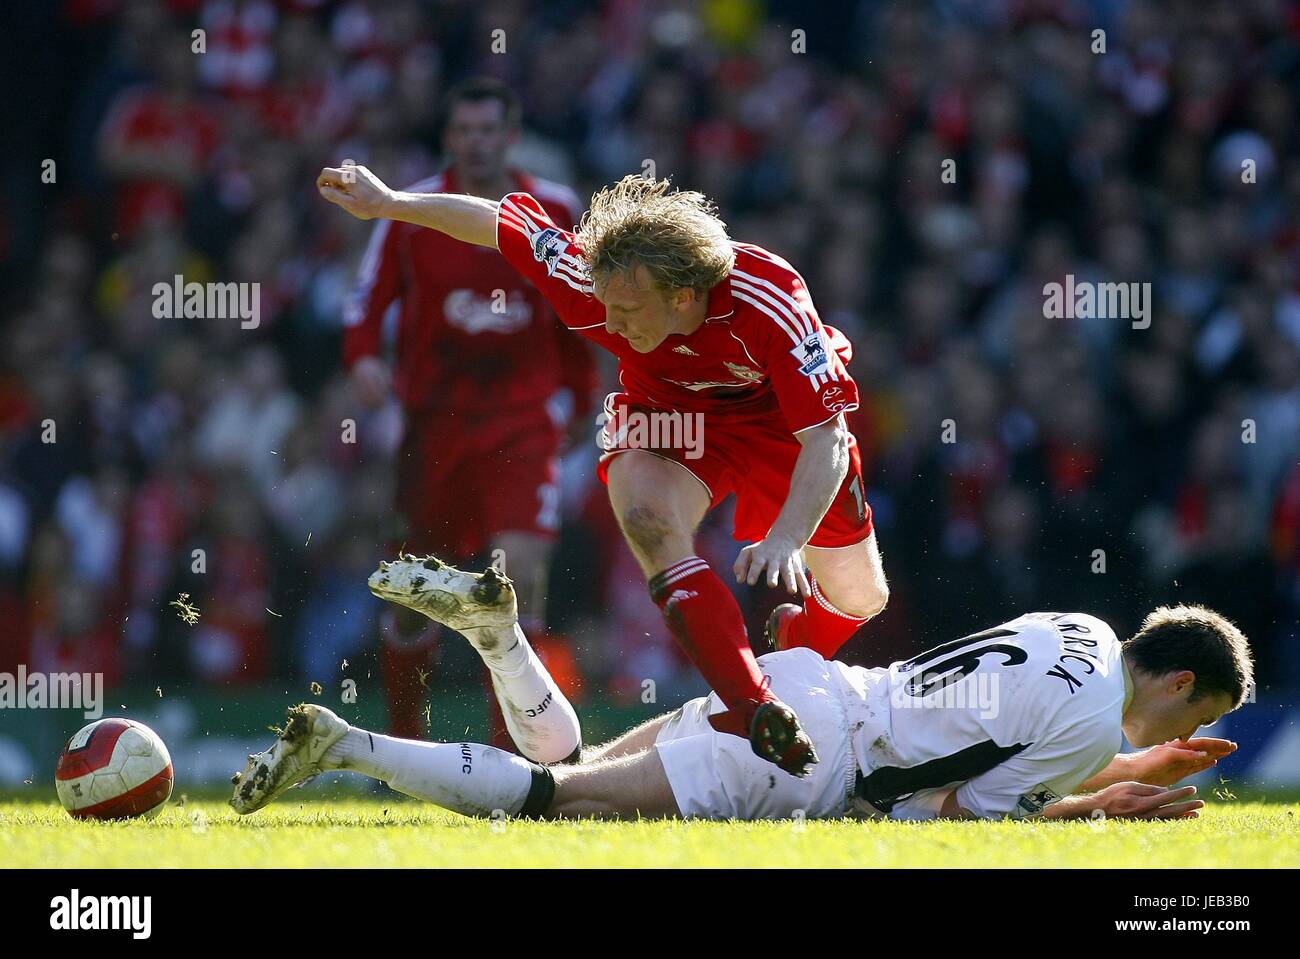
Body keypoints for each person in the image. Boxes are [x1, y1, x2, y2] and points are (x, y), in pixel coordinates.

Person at [315, 161, 891, 775]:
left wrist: (786, 538)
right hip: (667, 416)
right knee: (647, 520)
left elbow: (825, 437)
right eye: (606, 306)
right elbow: (494, 224)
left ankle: (790, 648)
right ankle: (754, 707)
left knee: (862, 596)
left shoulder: (770, 302)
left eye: (628, 310)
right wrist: (390, 202)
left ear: (683, 296)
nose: (609, 324)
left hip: (780, 427)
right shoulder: (588, 276)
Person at [231, 556, 1250, 823]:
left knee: (565, 768)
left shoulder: (1073, 626)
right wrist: (1096, 796)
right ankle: (344, 743)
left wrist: (1122, 760)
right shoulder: (1082, 730)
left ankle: (501, 639)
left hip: (802, 685)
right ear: (1174, 678)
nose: (1180, 727)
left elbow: (991, 735)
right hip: (811, 760)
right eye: (1191, 713)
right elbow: (951, 812)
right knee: (557, 802)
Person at [342, 78, 594, 756]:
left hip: (523, 420)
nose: (477, 142)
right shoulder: (409, 208)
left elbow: (578, 309)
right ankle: (404, 745)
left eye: (490, 130)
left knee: (518, 582)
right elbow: (365, 301)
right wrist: (364, 356)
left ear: (511, 136)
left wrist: (582, 389)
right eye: (464, 130)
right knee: (412, 594)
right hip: (435, 425)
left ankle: (512, 759)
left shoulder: (555, 207)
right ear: (449, 138)